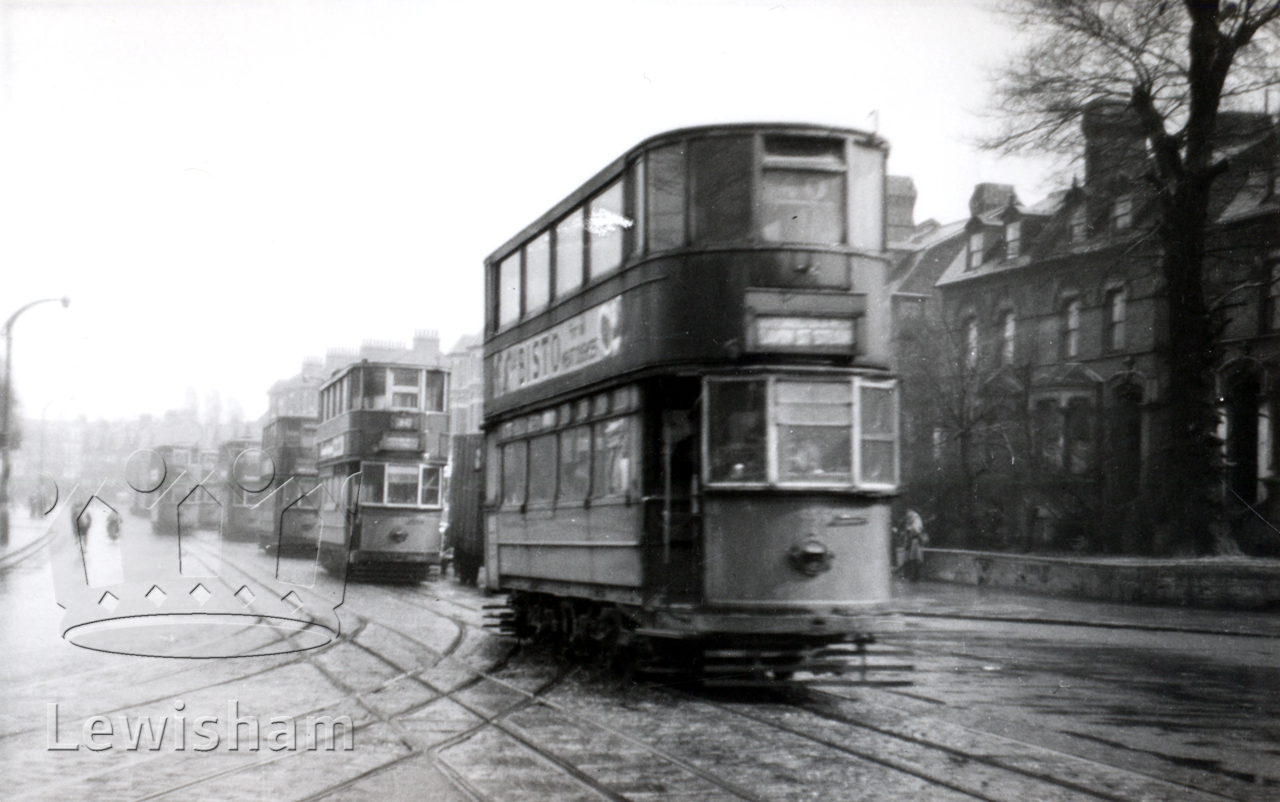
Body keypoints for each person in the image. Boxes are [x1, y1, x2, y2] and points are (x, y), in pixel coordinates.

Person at [902, 508, 928, 582]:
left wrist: (909, 531)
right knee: (913, 559)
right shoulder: (914, 519)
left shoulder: (915, 519)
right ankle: (913, 576)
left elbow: (915, 530)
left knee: (915, 559)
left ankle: (915, 577)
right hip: (912, 541)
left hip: (915, 541)